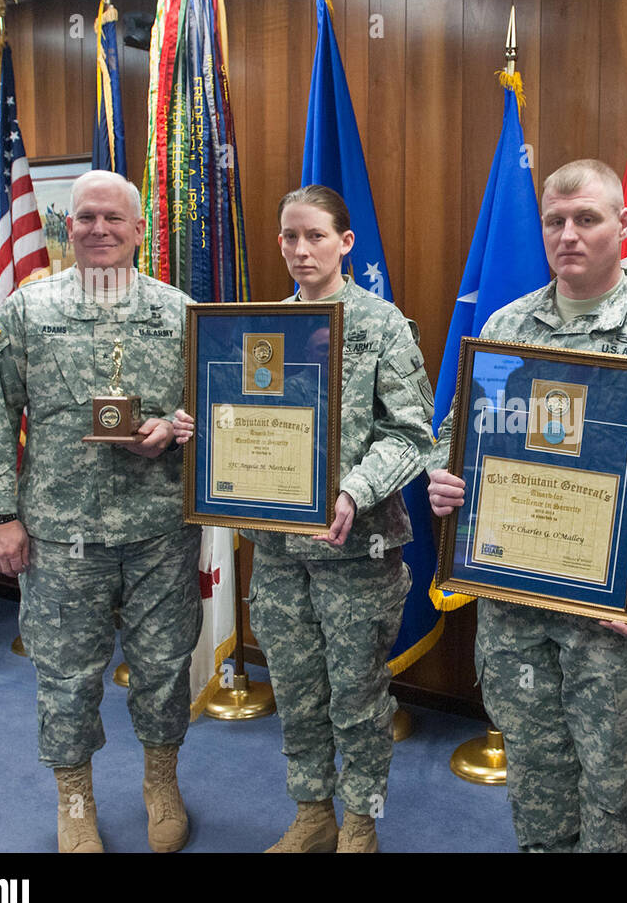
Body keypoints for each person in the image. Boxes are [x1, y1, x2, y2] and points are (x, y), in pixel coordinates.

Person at [428, 159, 627, 852]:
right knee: (536, 774)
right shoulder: (506, 328)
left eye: (587, 218)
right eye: (555, 221)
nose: (568, 234)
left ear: (624, 225)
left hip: (615, 611)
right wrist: (443, 476)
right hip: (513, 601)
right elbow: (456, 434)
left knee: (609, 783)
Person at [175, 185, 433, 853]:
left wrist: (351, 490)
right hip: (280, 553)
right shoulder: (257, 327)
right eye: (289, 236)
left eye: (315, 235)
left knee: (359, 700)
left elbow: (412, 436)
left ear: (345, 242)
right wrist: (201, 430)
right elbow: (246, 423)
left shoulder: (380, 325)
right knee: (295, 690)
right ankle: (313, 811)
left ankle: (361, 823)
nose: (299, 249)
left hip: (359, 552)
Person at [0, 170, 201, 853]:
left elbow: (217, 407)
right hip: (61, 536)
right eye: (86, 217)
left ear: (137, 230)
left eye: (113, 219)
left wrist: (177, 425)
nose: (98, 229)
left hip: (160, 532)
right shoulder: (26, 312)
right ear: (69, 225)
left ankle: (162, 784)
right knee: (65, 677)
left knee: (162, 667)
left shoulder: (179, 314)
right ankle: (74, 800)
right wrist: (0, 515)